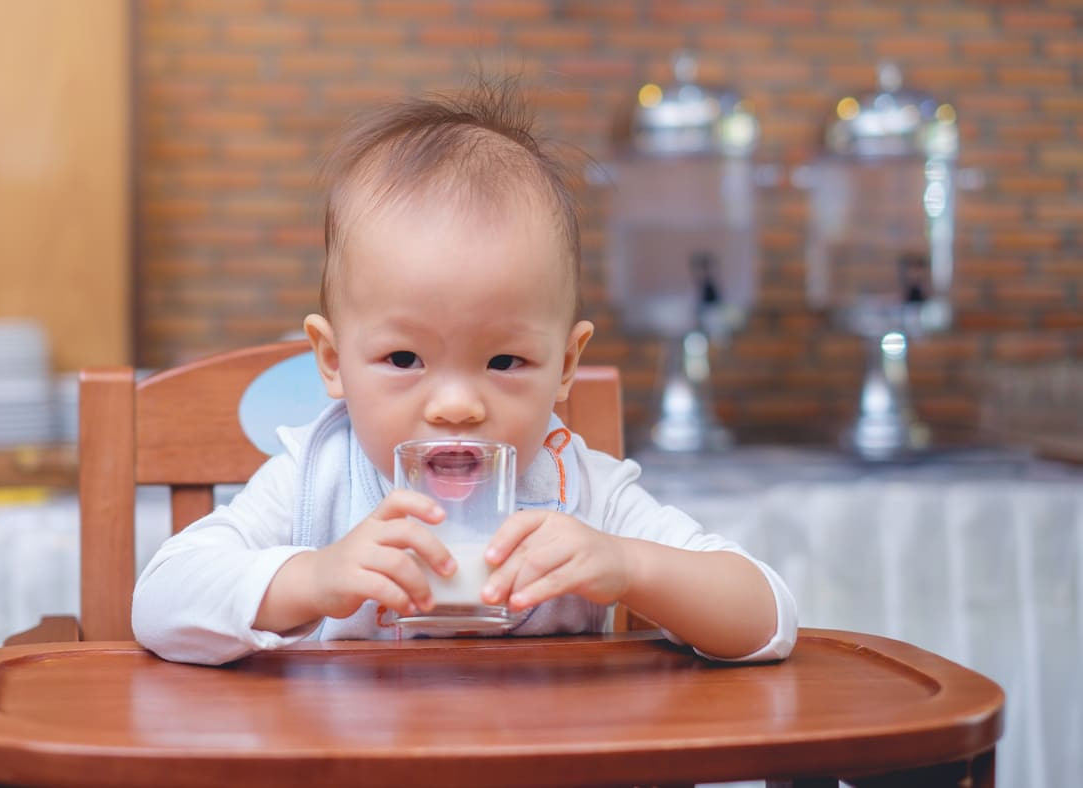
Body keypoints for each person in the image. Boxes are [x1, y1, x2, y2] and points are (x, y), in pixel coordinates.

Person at [132, 78, 797, 665]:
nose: (456, 405)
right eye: (403, 359)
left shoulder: (582, 492)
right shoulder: (318, 481)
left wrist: (630, 566)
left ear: (565, 365)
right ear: (332, 362)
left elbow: (769, 620)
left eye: (505, 360)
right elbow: (160, 602)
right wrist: (312, 578)